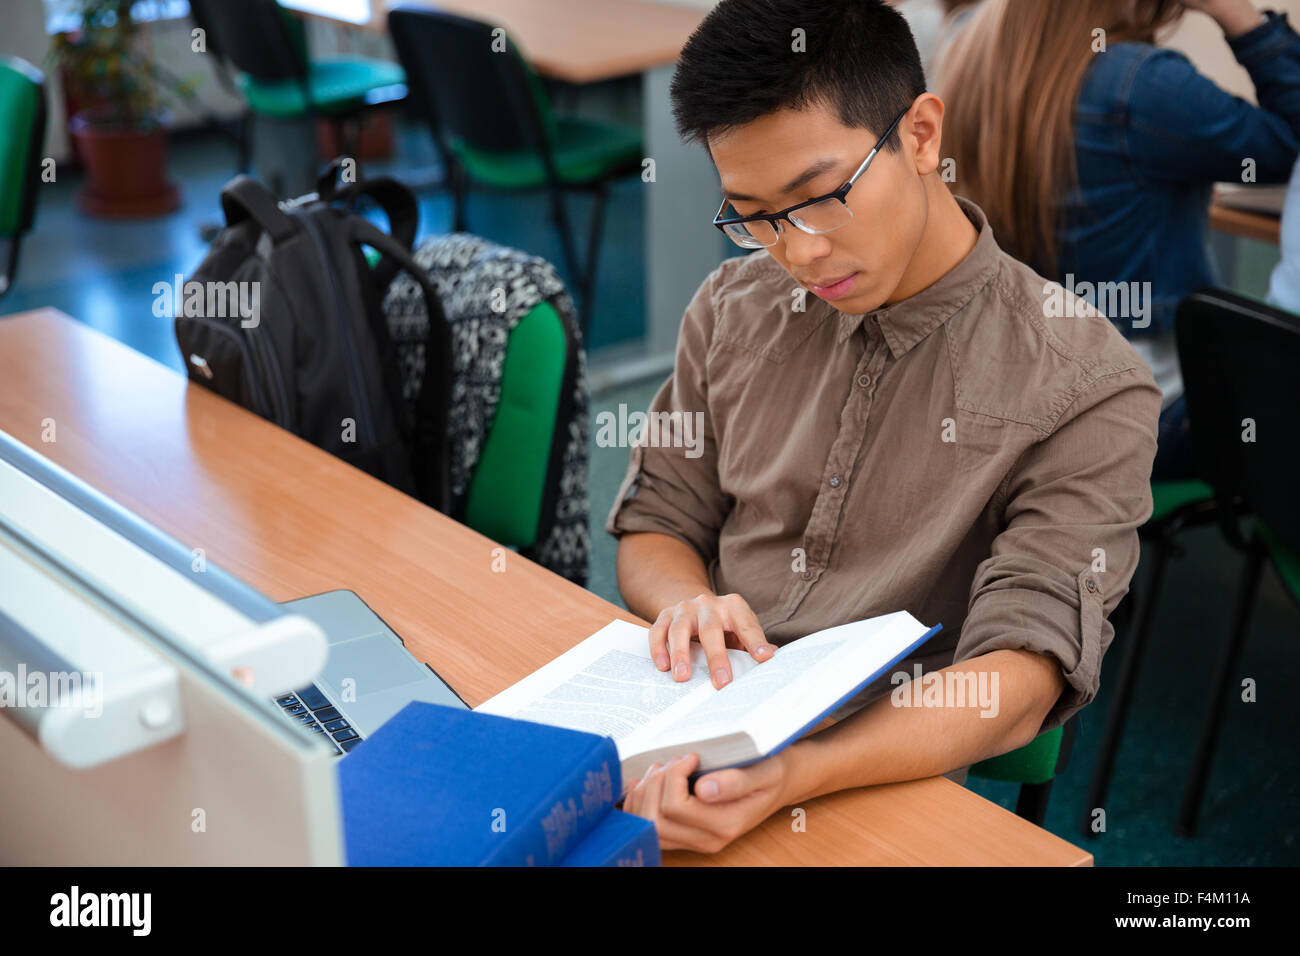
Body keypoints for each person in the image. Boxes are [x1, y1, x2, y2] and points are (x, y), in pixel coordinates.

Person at [606, 0, 1161, 853]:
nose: (799, 251)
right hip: (687, 726)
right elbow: (656, 520)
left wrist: (796, 772)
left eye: (820, 197)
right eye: (754, 215)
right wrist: (688, 602)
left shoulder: (1085, 382)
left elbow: (1023, 673)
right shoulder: (732, 306)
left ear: (922, 135)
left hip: (877, 778)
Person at [937, 0, 1300, 481]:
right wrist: (1239, 18)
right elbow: (1289, 147)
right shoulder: (1137, 83)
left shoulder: (969, 48)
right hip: (1138, 401)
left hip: (1010, 398)